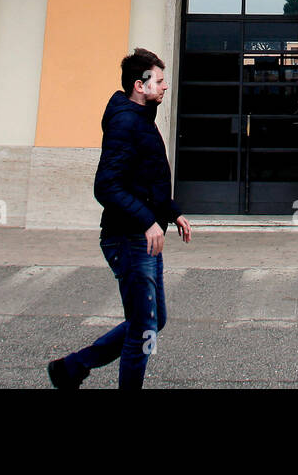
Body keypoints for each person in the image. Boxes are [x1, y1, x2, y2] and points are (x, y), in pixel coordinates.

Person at [48, 48, 191, 389]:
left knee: (153, 321)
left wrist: (172, 212)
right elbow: (106, 186)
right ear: (139, 86)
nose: (164, 86)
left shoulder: (141, 119)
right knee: (144, 326)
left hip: (143, 238)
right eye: (158, 80)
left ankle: (72, 368)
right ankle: (77, 369)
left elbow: (146, 178)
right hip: (127, 238)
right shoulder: (126, 122)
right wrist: (147, 220)